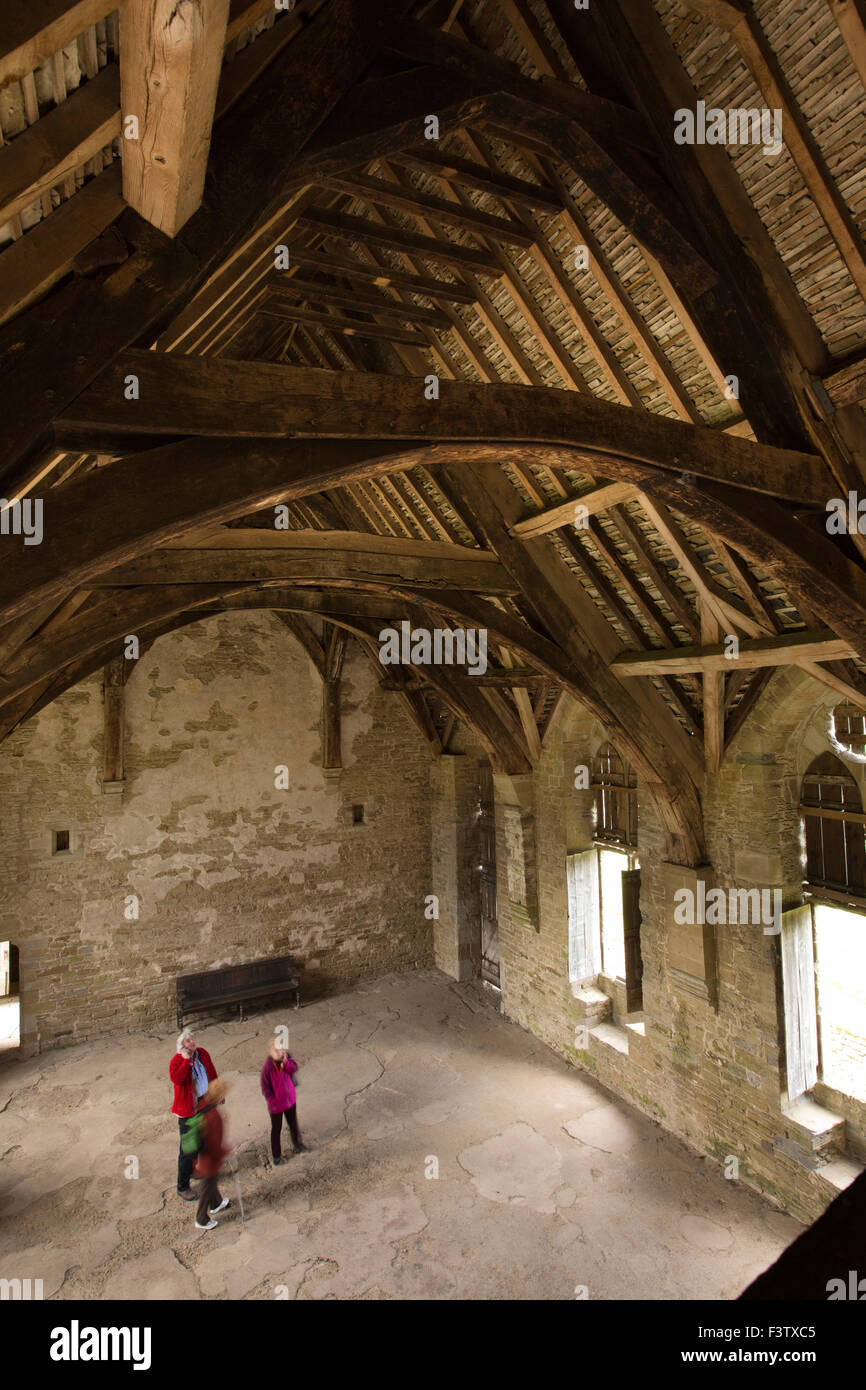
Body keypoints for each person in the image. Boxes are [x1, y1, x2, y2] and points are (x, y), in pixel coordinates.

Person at [170, 1029, 217, 1201]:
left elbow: (211, 1071)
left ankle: (196, 1170)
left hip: (204, 1103)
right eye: (188, 1041)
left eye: (192, 1040)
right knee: (187, 1150)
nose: (192, 1043)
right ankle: (182, 1186)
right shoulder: (176, 1062)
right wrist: (185, 1061)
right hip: (188, 1111)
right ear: (182, 1047)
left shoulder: (202, 1054)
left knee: (203, 1141)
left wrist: (217, 1092)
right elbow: (178, 1079)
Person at [260, 1036, 309, 1166]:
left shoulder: (287, 1058)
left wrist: (286, 1061)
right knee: (276, 1129)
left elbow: (294, 1069)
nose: (281, 1052)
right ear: (270, 1052)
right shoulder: (268, 1067)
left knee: (293, 1125)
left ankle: (298, 1145)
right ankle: (276, 1156)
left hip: (289, 1101)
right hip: (276, 1106)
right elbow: (265, 1087)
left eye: (282, 1049)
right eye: (277, 1050)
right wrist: (272, 1101)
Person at [192, 1077, 231, 1231]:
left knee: (211, 1182)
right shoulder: (213, 1116)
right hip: (209, 1159)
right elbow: (214, 1144)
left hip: (201, 1157)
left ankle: (216, 1203)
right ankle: (201, 1219)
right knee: (207, 1186)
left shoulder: (202, 1106)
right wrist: (225, 1151)